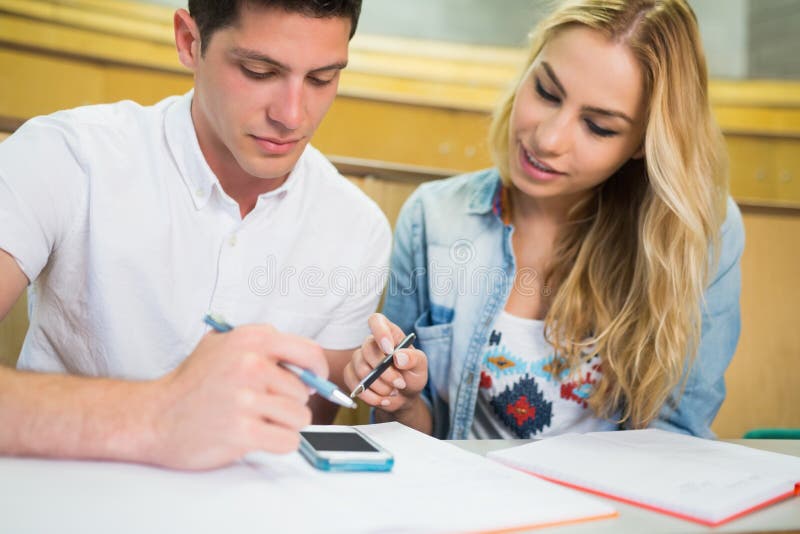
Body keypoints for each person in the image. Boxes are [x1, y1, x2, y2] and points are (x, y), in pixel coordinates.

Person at [0, 0, 391, 469]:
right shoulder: (67, 157)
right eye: (259, 71)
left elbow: (302, 433)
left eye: (321, 79)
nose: (292, 115)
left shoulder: (358, 228)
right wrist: (160, 414)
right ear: (190, 41)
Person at [344, 0, 744, 440]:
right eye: (547, 93)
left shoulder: (697, 234)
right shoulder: (433, 219)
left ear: (644, 142)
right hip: (463, 503)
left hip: (614, 507)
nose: (548, 139)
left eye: (598, 126)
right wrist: (399, 402)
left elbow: (677, 439)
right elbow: (419, 443)